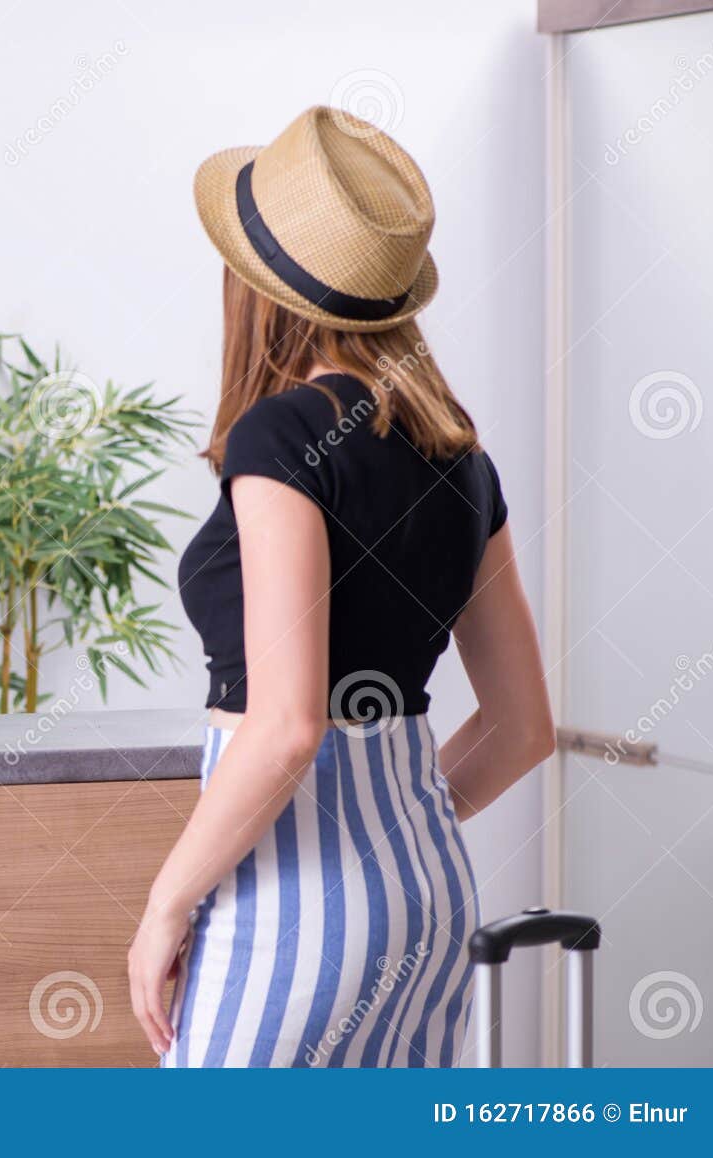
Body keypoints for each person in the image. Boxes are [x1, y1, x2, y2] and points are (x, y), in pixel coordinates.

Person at [127, 106, 554, 1066]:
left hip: (289, 907)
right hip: (427, 896)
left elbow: (285, 725)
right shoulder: (459, 453)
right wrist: (395, 824)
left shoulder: (280, 439)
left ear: (257, 286)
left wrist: (166, 905)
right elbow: (523, 727)